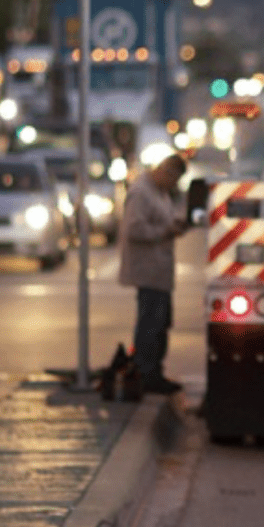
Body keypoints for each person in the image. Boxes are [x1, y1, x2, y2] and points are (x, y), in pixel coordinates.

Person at [118, 153, 190, 394]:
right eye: (173, 180)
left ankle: (154, 372)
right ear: (164, 171)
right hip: (147, 270)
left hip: (159, 271)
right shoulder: (142, 192)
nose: (173, 186)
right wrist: (165, 231)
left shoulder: (159, 192)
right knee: (150, 324)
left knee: (160, 324)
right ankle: (146, 373)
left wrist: (175, 225)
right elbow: (134, 229)